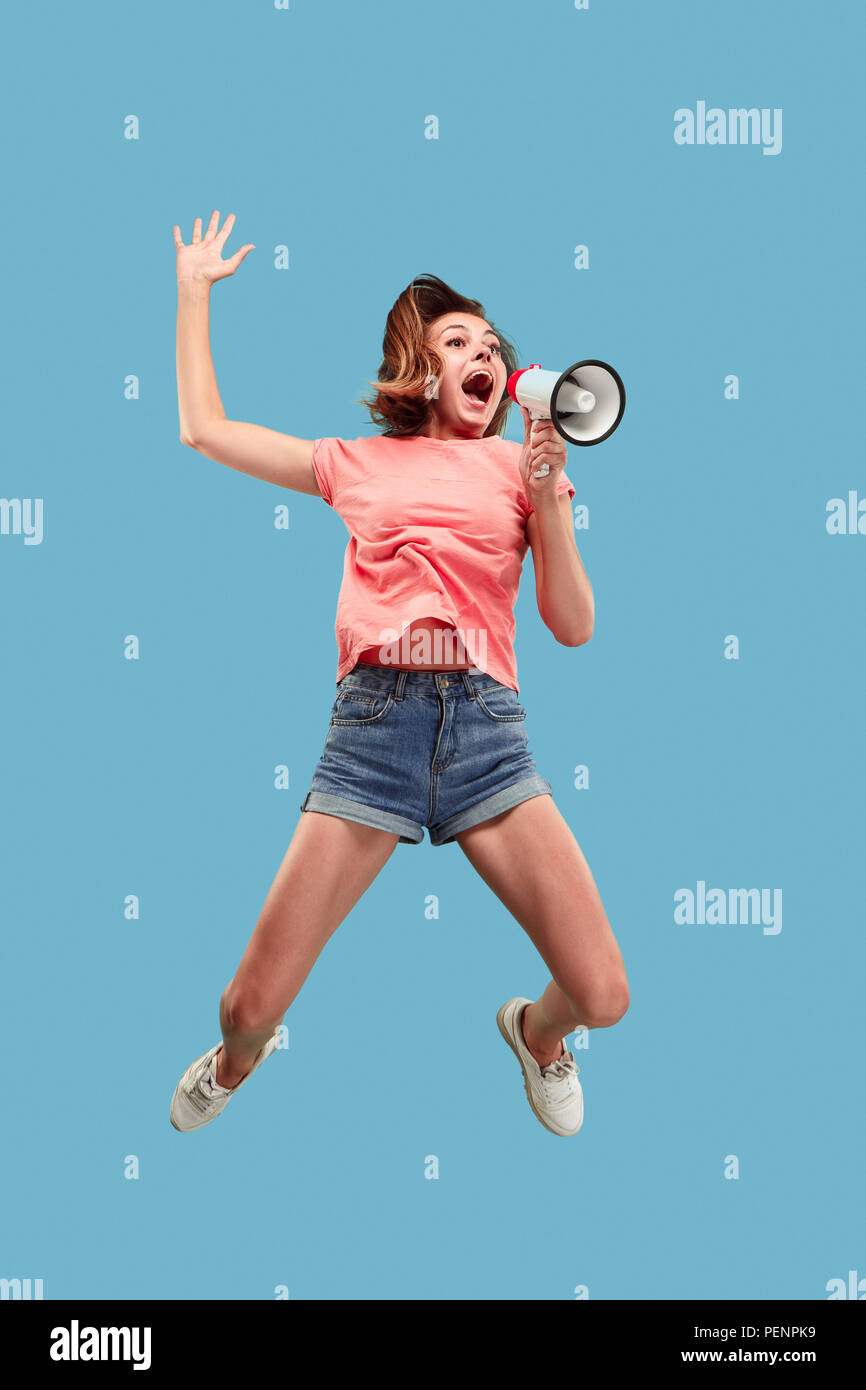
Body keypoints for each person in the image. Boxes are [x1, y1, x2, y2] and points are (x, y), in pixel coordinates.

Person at [169, 211, 629, 1138]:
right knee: (247, 1007)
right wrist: (192, 294)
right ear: (419, 368)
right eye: (458, 340)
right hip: (376, 728)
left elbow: (573, 627)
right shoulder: (355, 462)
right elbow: (205, 431)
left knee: (602, 992)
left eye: (492, 344)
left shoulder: (521, 467)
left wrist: (547, 495)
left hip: (486, 732)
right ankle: (234, 1064)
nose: (483, 353)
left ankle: (536, 1035)